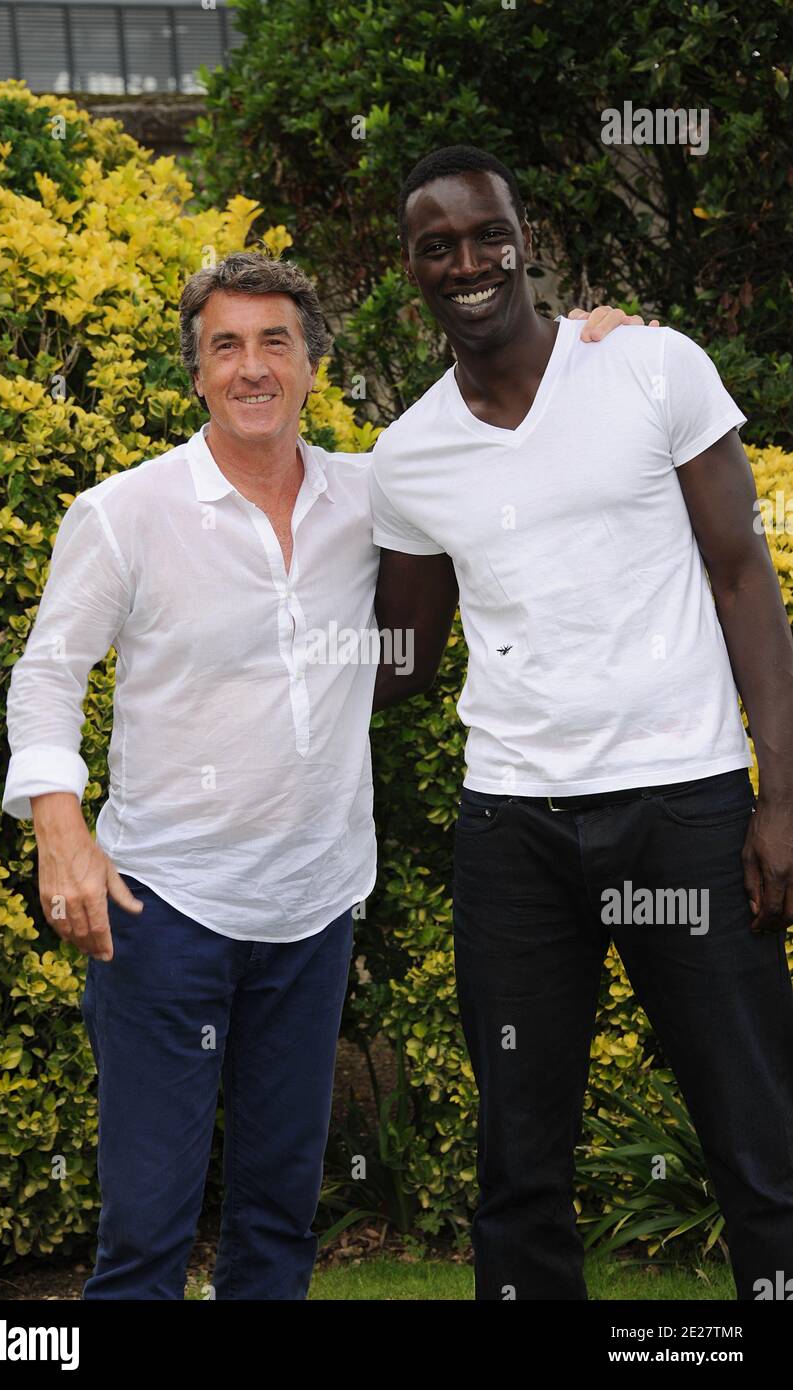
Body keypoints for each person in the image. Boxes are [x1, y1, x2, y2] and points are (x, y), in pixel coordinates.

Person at [2, 249, 637, 1300]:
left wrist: (593, 348)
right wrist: (60, 827)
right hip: (161, 911)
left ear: (310, 364)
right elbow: (46, 674)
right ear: (197, 373)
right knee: (148, 1237)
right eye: (227, 347)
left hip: (312, 911)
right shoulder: (125, 512)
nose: (253, 367)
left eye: (275, 342)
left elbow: (514, 454)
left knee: (276, 1223)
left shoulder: (370, 493)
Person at [371, 145, 793, 1301]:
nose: (468, 260)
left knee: (760, 1140)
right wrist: (245, 655)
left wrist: (781, 798)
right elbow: (400, 659)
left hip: (688, 809)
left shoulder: (652, 368)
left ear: (525, 238)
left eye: (485, 233)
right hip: (514, 832)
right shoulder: (406, 456)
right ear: (409, 268)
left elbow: (743, 578)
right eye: (437, 245)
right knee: (518, 1162)